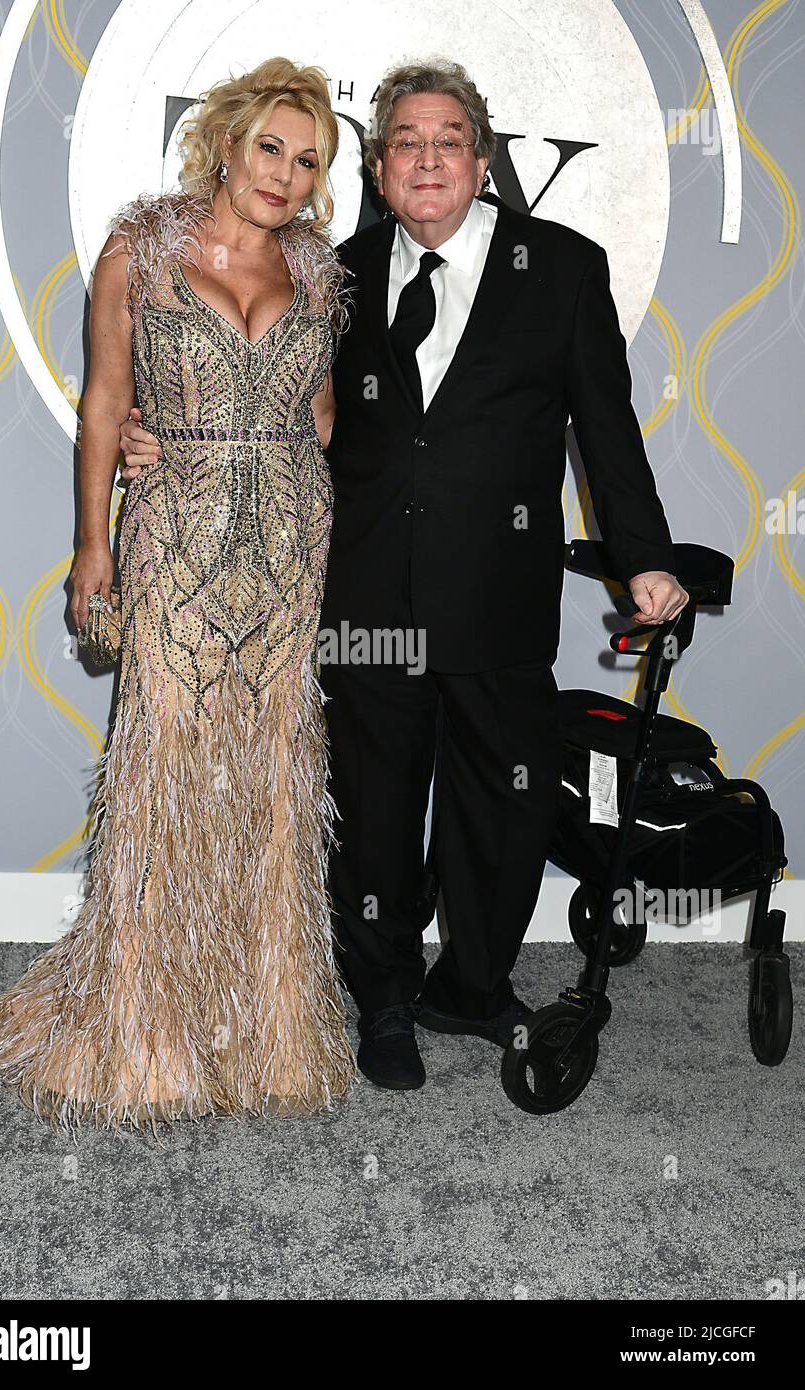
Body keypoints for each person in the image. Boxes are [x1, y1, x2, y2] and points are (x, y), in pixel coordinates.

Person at [117, 59, 689, 1096]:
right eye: (404, 146)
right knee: (373, 809)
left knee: (500, 803)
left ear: (483, 161)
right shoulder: (330, 272)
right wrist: (150, 434)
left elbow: (607, 429)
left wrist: (642, 556)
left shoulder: (559, 266)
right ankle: (380, 998)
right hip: (364, 596)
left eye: (448, 141)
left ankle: (472, 985)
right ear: (380, 171)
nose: (427, 160)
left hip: (496, 593)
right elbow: (275, 407)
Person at [0, 57, 357, 1134]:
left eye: (307, 159)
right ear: (224, 141)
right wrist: (94, 547)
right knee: (166, 770)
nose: (284, 173)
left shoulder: (317, 271)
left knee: (270, 771)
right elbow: (103, 405)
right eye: (269, 145)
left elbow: (316, 413)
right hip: (173, 532)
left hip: (286, 545)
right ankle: (147, 1028)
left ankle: (263, 1025)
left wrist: (273, 459)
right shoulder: (142, 247)